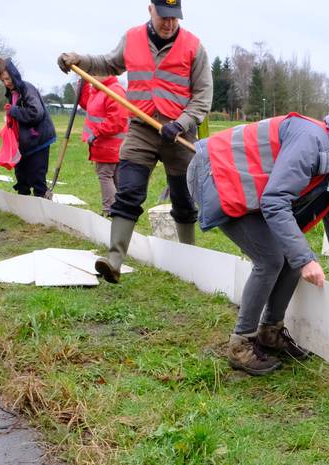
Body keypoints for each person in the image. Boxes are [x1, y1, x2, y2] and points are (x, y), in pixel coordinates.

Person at [189, 114, 329, 375]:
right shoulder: (310, 142)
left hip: (251, 187)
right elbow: (274, 200)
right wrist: (305, 259)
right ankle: (241, 344)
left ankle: (270, 332)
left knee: (294, 256)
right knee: (270, 259)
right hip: (216, 174)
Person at [56, 0, 212, 283]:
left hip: (179, 133)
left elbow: (203, 96)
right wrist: (78, 59)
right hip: (141, 128)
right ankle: (114, 260)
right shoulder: (132, 39)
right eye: (164, 17)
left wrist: (181, 123)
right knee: (128, 190)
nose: (169, 24)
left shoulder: (194, 46)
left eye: (174, 18)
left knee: (183, 198)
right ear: (150, 9)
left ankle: (189, 260)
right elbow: (108, 63)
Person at [0, 58, 56, 197]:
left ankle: (43, 202)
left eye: (8, 79)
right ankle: (23, 203)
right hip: (23, 142)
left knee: (37, 176)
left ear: (14, 74)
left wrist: (14, 111)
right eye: (3, 80)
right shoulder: (12, 93)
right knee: (21, 176)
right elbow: (17, 116)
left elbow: (36, 113)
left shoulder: (27, 89)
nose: (6, 83)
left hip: (38, 140)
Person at [78, 76, 129, 215]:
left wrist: (96, 132)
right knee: (114, 178)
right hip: (104, 144)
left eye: (94, 73)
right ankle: (120, 210)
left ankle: (110, 210)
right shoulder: (98, 90)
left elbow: (117, 121)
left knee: (105, 176)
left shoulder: (114, 91)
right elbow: (85, 103)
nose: (92, 76)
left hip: (110, 145)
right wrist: (83, 83)